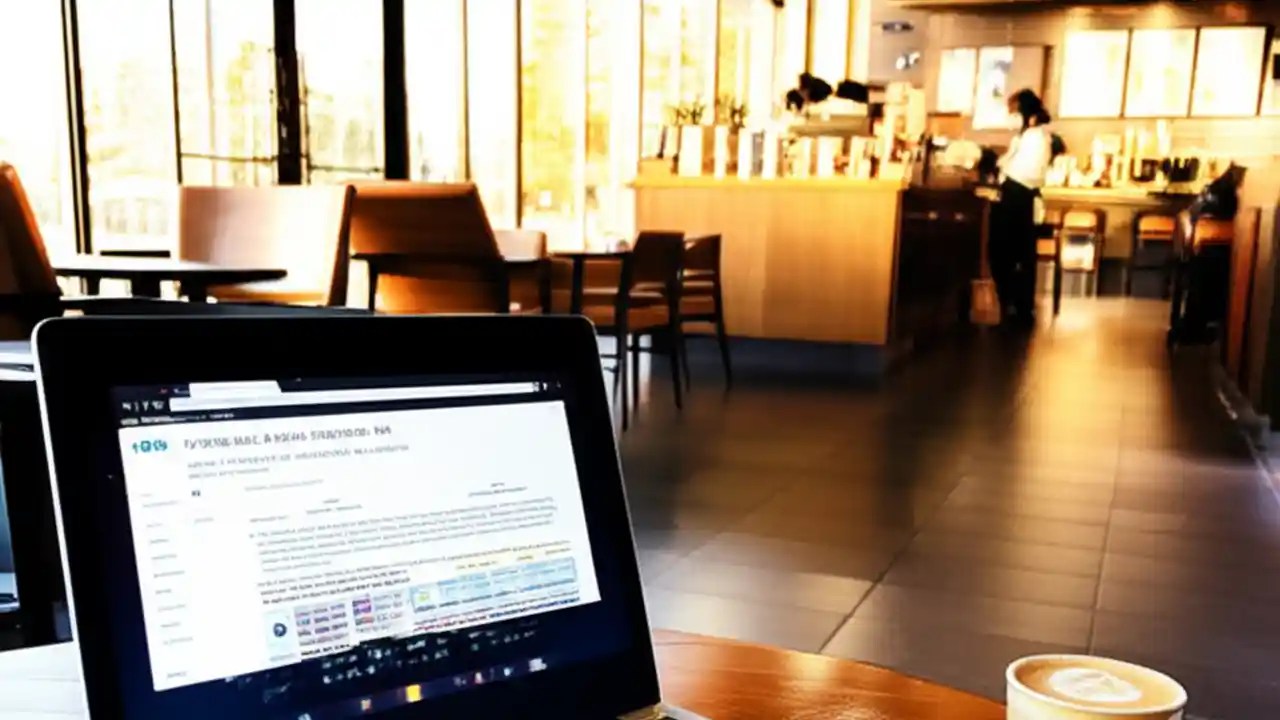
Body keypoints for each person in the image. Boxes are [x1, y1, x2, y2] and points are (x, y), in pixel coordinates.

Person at [990, 88, 1055, 326]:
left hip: (1019, 200)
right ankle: (1012, 304)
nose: (1011, 117)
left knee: (1016, 256)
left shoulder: (1037, 139)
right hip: (1013, 199)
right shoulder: (1024, 137)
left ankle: (1019, 307)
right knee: (1011, 255)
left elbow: (1026, 173)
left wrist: (1001, 169)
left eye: (1014, 112)